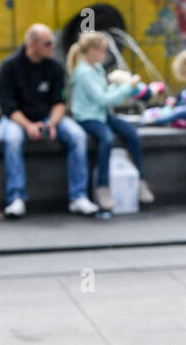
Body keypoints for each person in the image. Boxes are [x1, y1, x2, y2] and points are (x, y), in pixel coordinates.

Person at [0, 24, 98, 217]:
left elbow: (59, 102)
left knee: (77, 135)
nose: (52, 46)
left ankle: (78, 197)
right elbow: (7, 106)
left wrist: (51, 123)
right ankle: (16, 198)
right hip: (18, 118)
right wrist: (28, 125)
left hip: (47, 117)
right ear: (32, 44)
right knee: (12, 139)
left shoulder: (54, 67)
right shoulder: (9, 66)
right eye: (47, 43)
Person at [67, 31, 157, 211]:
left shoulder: (97, 69)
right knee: (106, 139)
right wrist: (125, 88)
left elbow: (107, 95)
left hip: (102, 114)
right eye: (102, 51)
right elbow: (102, 99)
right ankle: (103, 186)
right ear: (91, 50)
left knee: (131, 134)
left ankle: (140, 180)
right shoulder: (84, 73)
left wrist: (124, 87)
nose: (104, 55)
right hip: (88, 117)